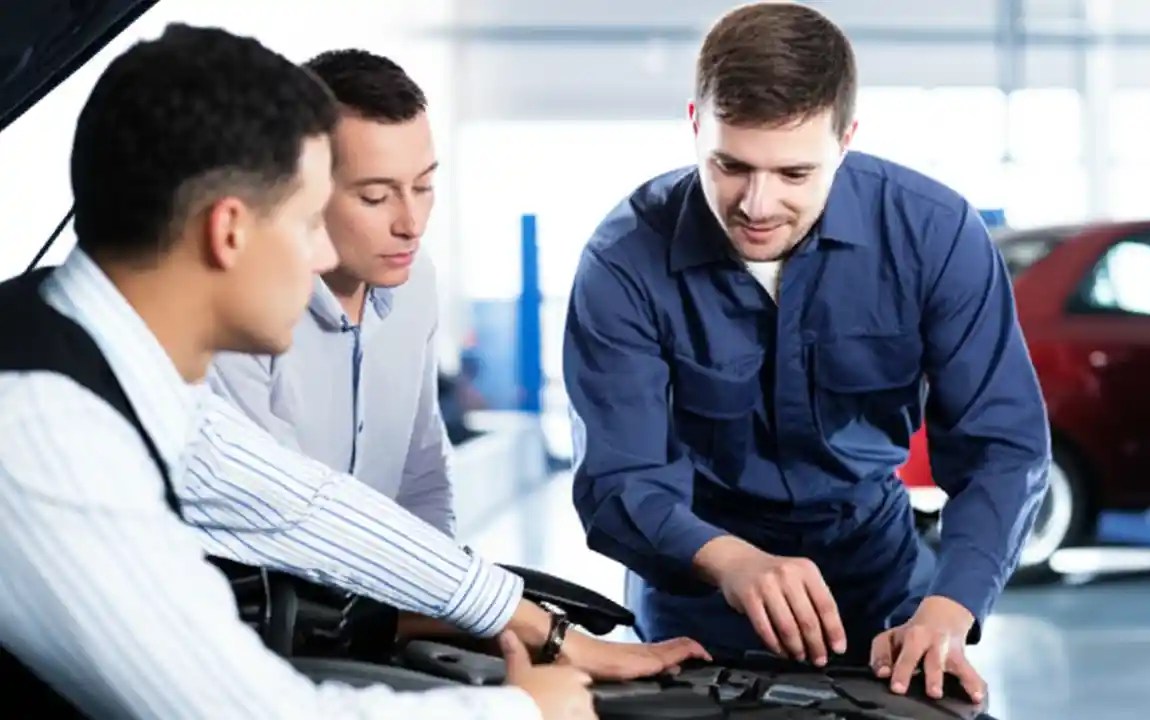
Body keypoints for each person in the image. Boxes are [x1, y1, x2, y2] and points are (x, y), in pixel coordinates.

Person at [0, 23, 702, 720]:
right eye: (310, 221)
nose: (318, 257)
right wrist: (524, 712)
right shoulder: (41, 428)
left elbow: (300, 504)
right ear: (230, 231)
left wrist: (528, 623)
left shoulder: (104, 368)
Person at [562, 1, 1051, 706]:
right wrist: (729, 562)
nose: (757, 204)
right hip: (699, 587)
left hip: (881, 581)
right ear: (696, 125)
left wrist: (951, 607)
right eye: (731, 166)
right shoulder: (624, 260)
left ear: (846, 138)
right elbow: (620, 476)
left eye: (794, 174)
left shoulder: (936, 235)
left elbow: (1001, 446)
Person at [208, 48, 457, 536]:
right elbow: (276, 517)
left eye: (424, 186)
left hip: (391, 593)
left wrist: (449, 604)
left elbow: (421, 472)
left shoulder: (417, 279)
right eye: (375, 197)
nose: (412, 224)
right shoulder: (241, 307)